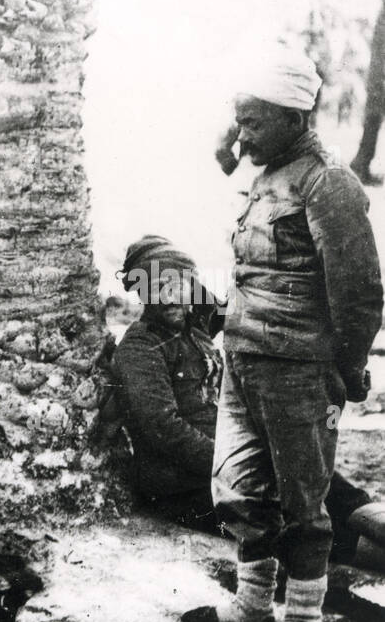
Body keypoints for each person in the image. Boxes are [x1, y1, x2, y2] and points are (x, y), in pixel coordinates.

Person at [181, 50, 385, 622]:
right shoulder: (270, 170)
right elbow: (236, 151)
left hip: (299, 367)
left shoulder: (328, 183)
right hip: (244, 359)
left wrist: (346, 371)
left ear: (297, 116)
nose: (243, 135)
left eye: (255, 122)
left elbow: (358, 291)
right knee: (237, 488)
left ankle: (305, 619)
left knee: (304, 498)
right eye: (238, 120)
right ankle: (251, 605)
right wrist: (237, 135)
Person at [111, 234, 385, 560]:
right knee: (294, 524)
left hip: (230, 464)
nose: (169, 296)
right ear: (142, 293)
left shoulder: (194, 322)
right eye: (156, 287)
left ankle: (372, 519)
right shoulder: (140, 348)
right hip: (185, 486)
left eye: (179, 284)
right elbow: (163, 430)